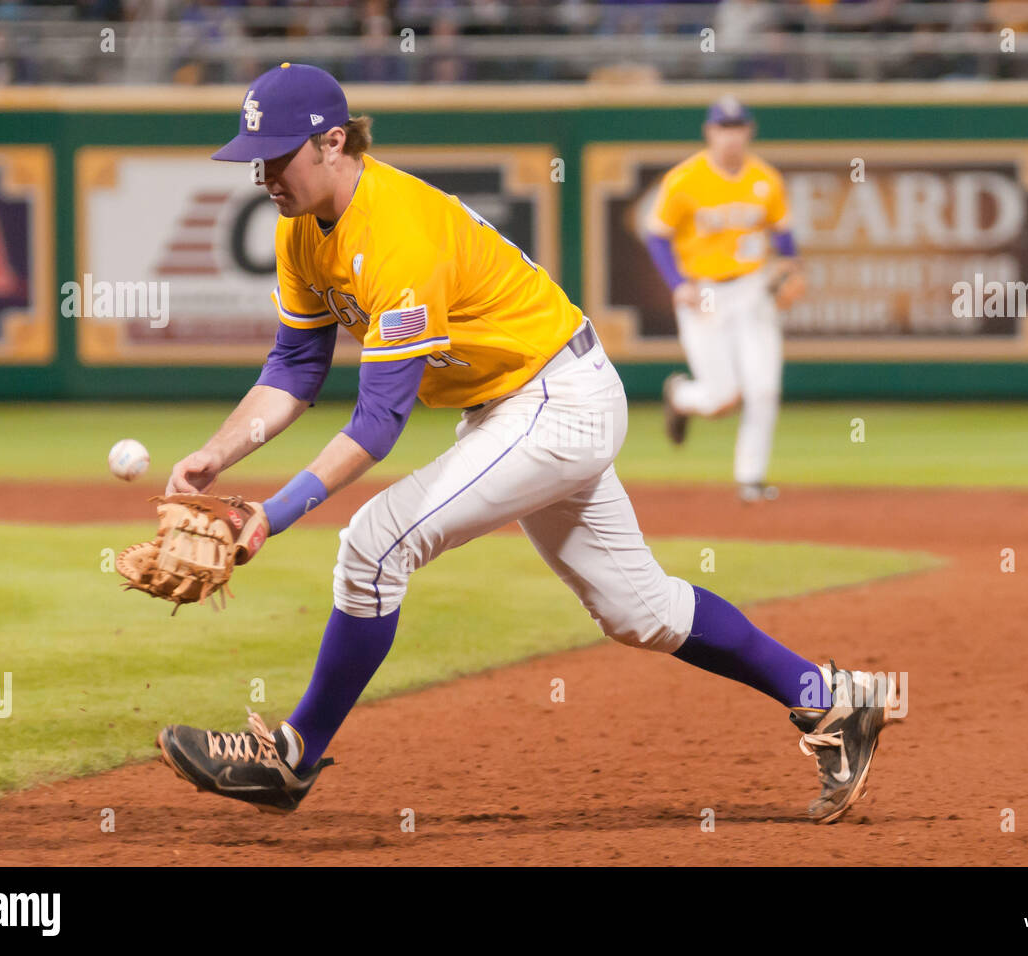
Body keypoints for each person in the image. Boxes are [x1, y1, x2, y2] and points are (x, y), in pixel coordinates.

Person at [153, 64, 895, 825]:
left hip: (556, 399)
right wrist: (220, 453)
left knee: (374, 545)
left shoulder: (397, 230)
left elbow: (377, 426)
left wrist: (272, 513)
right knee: (639, 611)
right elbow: (297, 367)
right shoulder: (298, 230)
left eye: (276, 153)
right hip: (517, 406)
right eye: (255, 155)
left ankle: (291, 757)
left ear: (333, 142)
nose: (262, 172)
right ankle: (835, 701)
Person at [643, 96, 803, 503]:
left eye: (737, 127)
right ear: (710, 132)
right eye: (723, 127)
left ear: (749, 131)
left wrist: (791, 267)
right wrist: (678, 282)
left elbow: (782, 234)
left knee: (764, 388)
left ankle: (751, 477)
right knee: (721, 398)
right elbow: (657, 235)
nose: (731, 136)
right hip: (706, 292)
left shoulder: (765, 179)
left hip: (752, 290)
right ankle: (680, 396)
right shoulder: (685, 179)